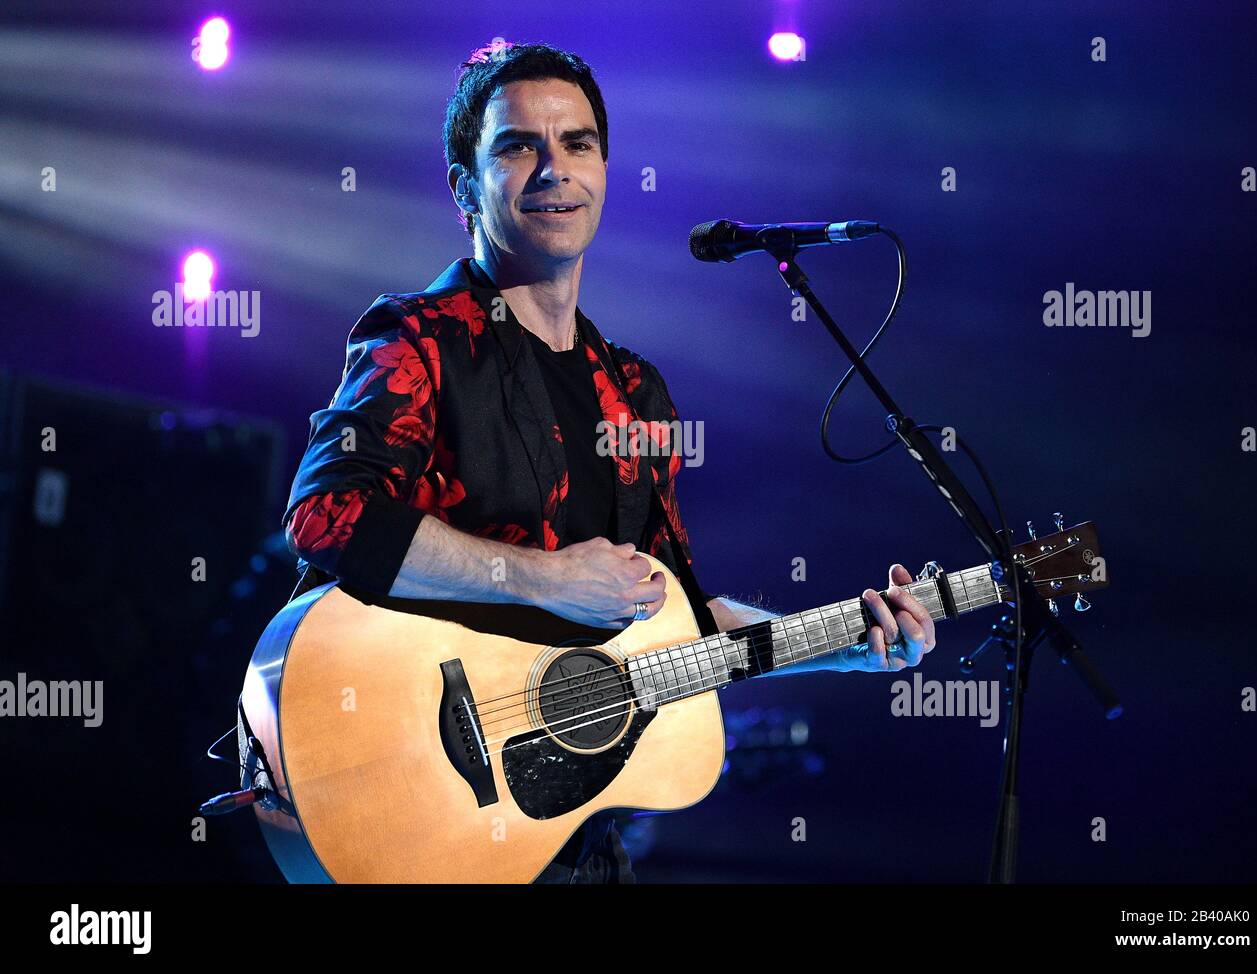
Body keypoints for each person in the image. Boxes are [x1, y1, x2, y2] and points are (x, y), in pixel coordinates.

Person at [282, 42, 936, 884]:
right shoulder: (419, 340)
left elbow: (676, 618)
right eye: (520, 147)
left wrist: (839, 644)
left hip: (575, 847)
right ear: (463, 187)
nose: (554, 169)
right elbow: (327, 517)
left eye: (579, 143)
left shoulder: (635, 393)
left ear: (604, 171)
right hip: (422, 814)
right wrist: (539, 579)